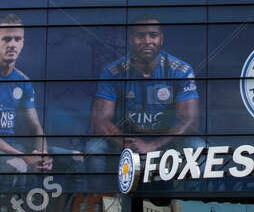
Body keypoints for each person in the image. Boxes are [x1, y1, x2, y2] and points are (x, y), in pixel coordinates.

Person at [86, 15, 204, 166]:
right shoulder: (113, 72)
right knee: (94, 148)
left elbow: (190, 121)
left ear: (161, 39)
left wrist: (152, 146)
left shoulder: (181, 70)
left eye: (153, 35)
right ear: (131, 39)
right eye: (141, 36)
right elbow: (99, 123)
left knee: (197, 147)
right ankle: (103, 191)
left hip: (167, 141)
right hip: (126, 140)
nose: (147, 41)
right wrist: (127, 145)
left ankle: (193, 191)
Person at [0, 15, 54, 174]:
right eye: (6, 39)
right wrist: (25, 157)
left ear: (22, 43)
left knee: (74, 158)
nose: (12, 44)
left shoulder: (23, 81)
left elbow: (35, 126)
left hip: (13, 150)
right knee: (19, 166)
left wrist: (42, 153)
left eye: (17, 39)